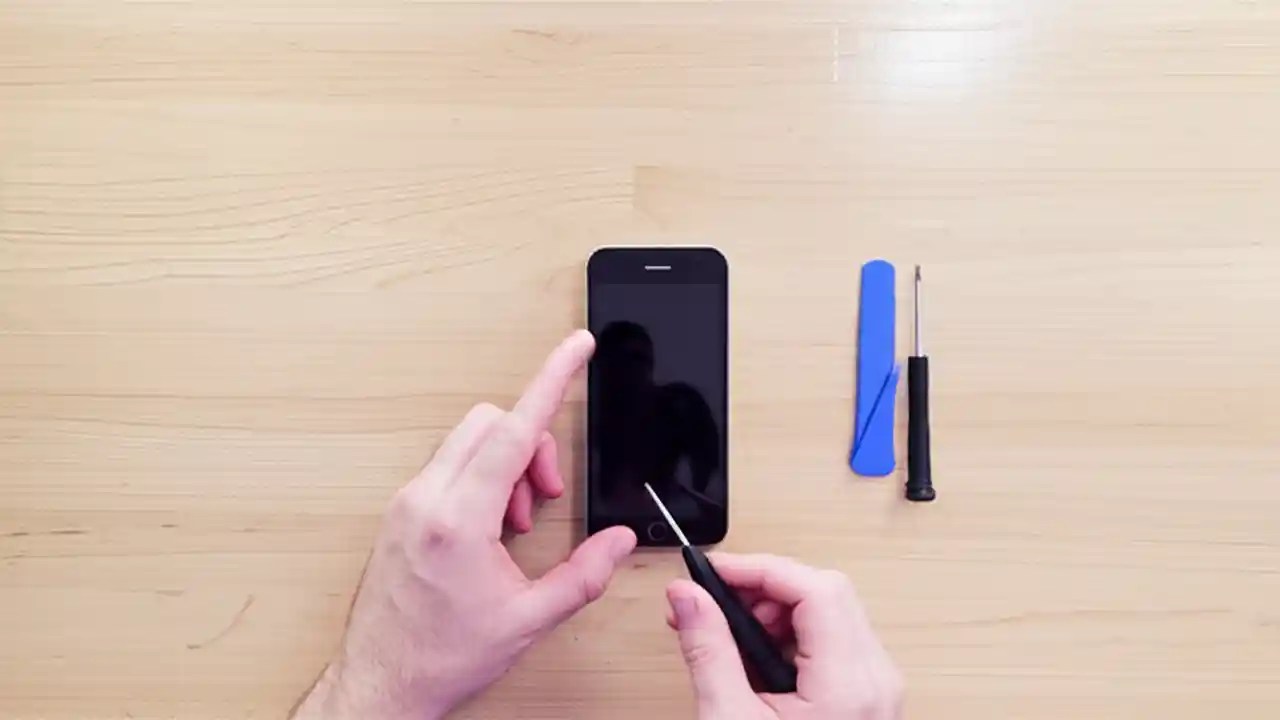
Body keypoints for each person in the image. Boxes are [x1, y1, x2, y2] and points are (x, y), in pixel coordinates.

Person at [291, 331, 903, 720]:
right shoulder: (618, 414)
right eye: (623, 361)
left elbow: (703, 459)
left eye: (641, 360)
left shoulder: (678, 405)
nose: (633, 373)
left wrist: (371, 692)